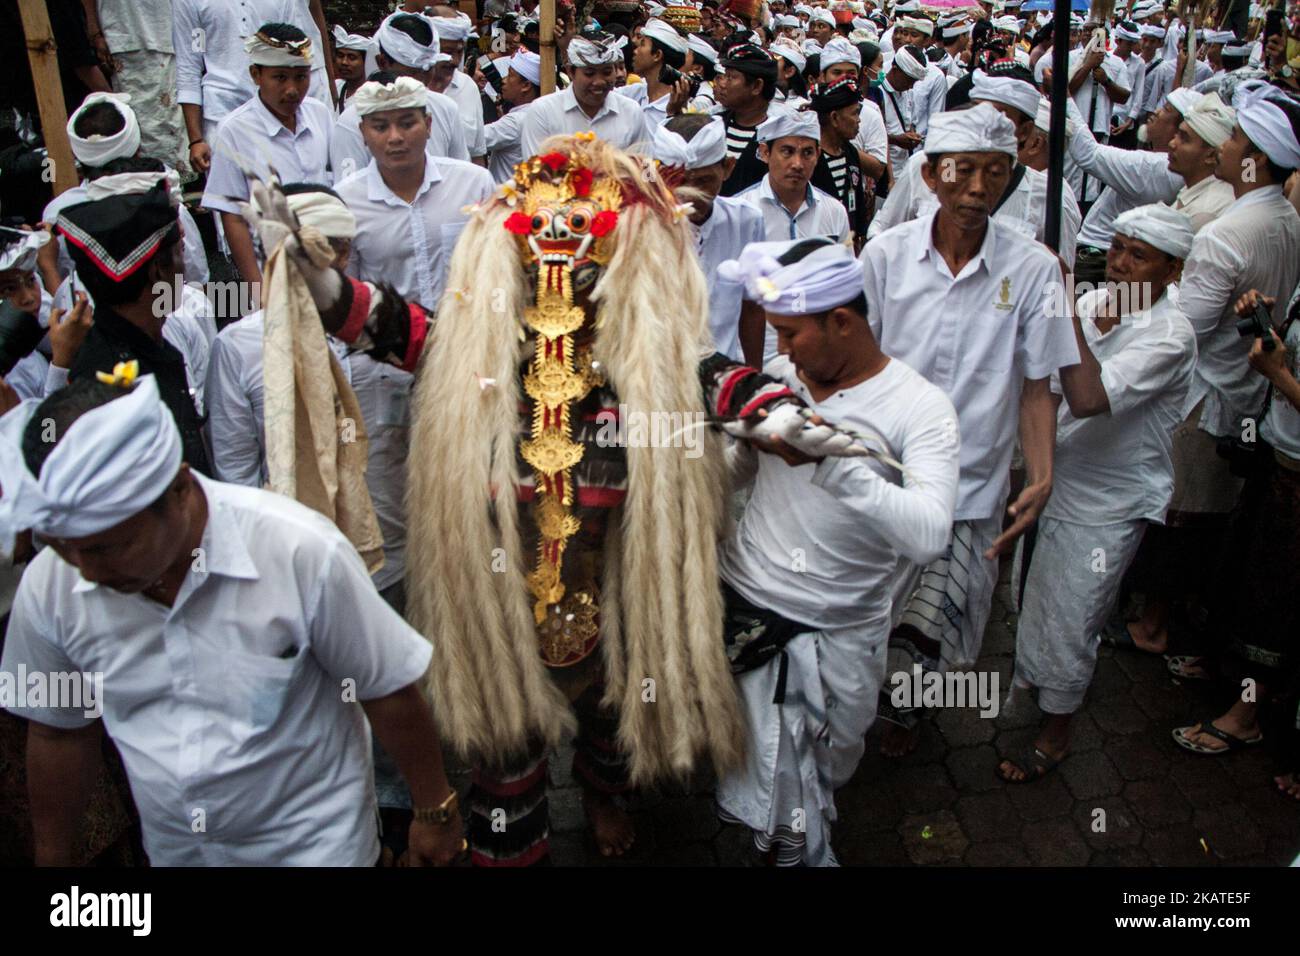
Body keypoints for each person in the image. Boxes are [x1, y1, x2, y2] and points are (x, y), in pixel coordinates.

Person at [240, 133, 863, 865]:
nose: (561, 251)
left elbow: (712, 376)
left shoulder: (647, 352)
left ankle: (604, 795)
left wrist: (777, 412)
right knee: (506, 746)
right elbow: (403, 330)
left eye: (584, 232)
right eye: (540, 238)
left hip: (618, 571)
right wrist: (316, 283)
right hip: (506, 579)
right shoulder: (478, 350)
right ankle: (512, 842)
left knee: (615, 714)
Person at [0, 374, 463, 866]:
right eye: (63, 548)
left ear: (178, 489)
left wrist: (434, 810)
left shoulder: (300, 551)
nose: (86, 571)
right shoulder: (50, 586)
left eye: (106, 548)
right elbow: (58, 730)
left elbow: (383, 687)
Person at [713, 237, 959, 864]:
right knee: (765, 787)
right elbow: (736, 475)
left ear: (842, 321)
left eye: (791, 334)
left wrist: (830, 457)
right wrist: (730, 443)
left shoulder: (921, 408)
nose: (781, 350)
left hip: (841, 631)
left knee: (825, 771)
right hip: (750, 612)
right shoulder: (778, 379)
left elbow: (930, 533)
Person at [860, 104, 1079, 755]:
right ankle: (855, 709)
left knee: (936, 625)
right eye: (963, 171)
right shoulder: (885, 256)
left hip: (973, 489)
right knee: (870, 616)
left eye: (996, 173)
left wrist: (1041, 473)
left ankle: (904, 716)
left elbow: (1037, 384)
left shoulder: (1035, 269)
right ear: (930, 176)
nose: (979, 190)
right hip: (883, 480)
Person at [1002, 205, 1198, 782]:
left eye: (1138, 256)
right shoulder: (1091, 306)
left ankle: (1057, 732)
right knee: (1033, 597)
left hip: (1106, 504)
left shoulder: (1171, 335)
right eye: (1115, 248)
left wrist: (1060, 304)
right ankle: (1036, 689)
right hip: (1053, 479)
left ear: (1172, 271)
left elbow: (1087, 397)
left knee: (1073, 614)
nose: (1117, 264)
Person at [1138, 88, 1300, 690]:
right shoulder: (1285, 218)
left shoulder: (1227, 231)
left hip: (1207, 392)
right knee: (1212, 516)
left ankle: (1154, 624)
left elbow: (1185, 326)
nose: (1224, 147)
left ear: (1254, 158)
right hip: (1248, 395)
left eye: (1234, 141)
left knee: (1179, 517)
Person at [53, 178, 212, 477]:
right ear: (159, 271)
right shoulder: (110, 380)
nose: (185, 264)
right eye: (180, 251)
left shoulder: (154, 342)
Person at [334, 78, 495, 313]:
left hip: (466, 339)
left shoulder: (474, 183)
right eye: (380, 127)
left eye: (407, 124)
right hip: (387, 345)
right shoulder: (346, 202)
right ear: (363, 134)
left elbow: (497, 267)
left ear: (428, 125)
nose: (395, 137)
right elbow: (348, 293)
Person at [200, 23, 333, 290]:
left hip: (327, 264)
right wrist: (258, 288)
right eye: (280, 77)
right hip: (274, 271)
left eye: (301, 77)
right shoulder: (234, 130)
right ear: (256, 74)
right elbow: (234, 217)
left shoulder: (320, 114)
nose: (293, 89)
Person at [734, 109, 851, 365]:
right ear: (765, 153)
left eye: (807, 153)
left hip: (818, 353)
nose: (797, 163)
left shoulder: (834, 211)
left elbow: (843, 284)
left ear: (818, 156)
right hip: (758, 353)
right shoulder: (740, 212)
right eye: (787, 151)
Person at [174, 0, 334, 177]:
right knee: (231, 197)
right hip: (221, 110)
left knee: (286, 188)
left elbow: (293, 51)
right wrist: (195, 140)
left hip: (277, 112)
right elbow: (189, 66)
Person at [654, 115, 766, 364]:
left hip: (722, 375)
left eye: (703, 181)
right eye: (679, 183)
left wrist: (752, 375)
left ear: (727, 168)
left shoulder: (747, 222)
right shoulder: (639, 226)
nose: (690, 194)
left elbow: (752, 307)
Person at [329, 12, 470, 181]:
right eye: (413, 73)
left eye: (429, 70)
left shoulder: (446, 109)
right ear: (383, 63)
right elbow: (350, 195)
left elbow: (461, 179)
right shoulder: (350, 122)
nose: (422, 81)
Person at [79, 0, 188, 176]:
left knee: (173, 123)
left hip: (167, 32)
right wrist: (94, 31)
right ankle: (150, 187)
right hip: (127, 35)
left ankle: (174, 191)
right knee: (140, 125)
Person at [518, 32, 654, 155]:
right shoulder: (542, 112)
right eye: (590, 73)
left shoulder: (631, 112)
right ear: (570, 71)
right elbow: (534, 174)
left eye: (607, 72)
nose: (599, 81)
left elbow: (646, 169)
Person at [714, 42, 783, 197]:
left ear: (757, 86)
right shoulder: (712, 125)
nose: (723, 84)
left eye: (731, 77)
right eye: (724, 75)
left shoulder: (777, 136)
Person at [809, 79, 872, 244]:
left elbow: (856, 206)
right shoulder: (810, 158)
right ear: (835, 118)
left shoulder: (851, 152)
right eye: (854, 113)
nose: (859, 120)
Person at [484, 50, 543, 182]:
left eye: (510, 76)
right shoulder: (538, 113)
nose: (503, 80)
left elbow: (474, 139)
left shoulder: (516, 121)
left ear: (526, 86)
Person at [621, 17, 693, 125]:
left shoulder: (679, 108)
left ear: (657, 55)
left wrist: (673, 114)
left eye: (642, 45)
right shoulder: (633, 93)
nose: (635, 51)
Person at [877, 44, 929, 182]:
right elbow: (871, 138)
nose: (911, 86)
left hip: (905, 171)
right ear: (895, 69)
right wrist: (896, 140)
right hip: (886, 177)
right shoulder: (877, 94)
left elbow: (910, 122)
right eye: (909, 80)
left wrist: (912, 135)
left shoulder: (908, 93)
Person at [331, 25, 372, 112]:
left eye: (352, 57)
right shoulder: (334, 87)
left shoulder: (372, 94)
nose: (344, 62)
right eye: (340, 56)